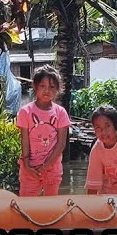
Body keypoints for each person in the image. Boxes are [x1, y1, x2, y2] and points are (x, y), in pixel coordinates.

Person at [16, 65, 71, 197]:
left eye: (52, 87)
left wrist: (46, 166)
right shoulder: (25, 112)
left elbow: (61, 143)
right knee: (27, 205)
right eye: (42, 86)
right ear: (35, 87)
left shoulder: (61, 112)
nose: (47, 90)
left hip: (52, 168)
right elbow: (25, 140)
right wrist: (27, 164)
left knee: (51, 207)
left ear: (57, 89)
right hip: (30, 168)